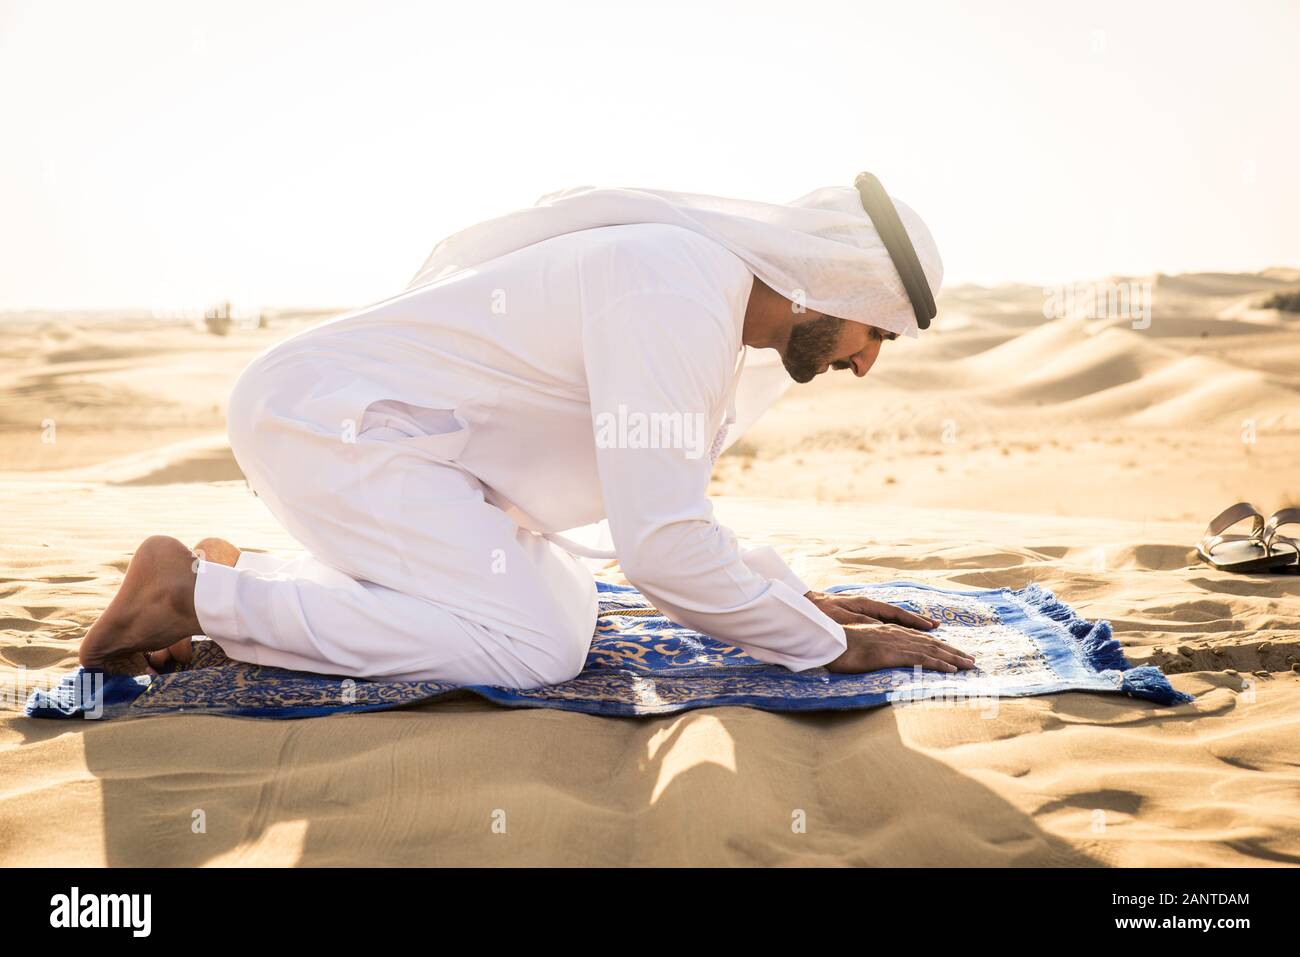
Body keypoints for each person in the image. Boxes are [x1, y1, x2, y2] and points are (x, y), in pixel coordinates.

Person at [79, 181, 976, 688]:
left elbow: (664, 511)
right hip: (331, 428)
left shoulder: (702, 297)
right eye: (879, 335)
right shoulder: (676, 291)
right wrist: (824, 644)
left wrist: (789, 603)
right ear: (840, 292)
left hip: (408, 451)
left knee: (566, 611)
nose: (865, 364)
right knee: (533, 647)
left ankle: (246, 581)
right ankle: (194, 598)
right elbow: (659, 547)